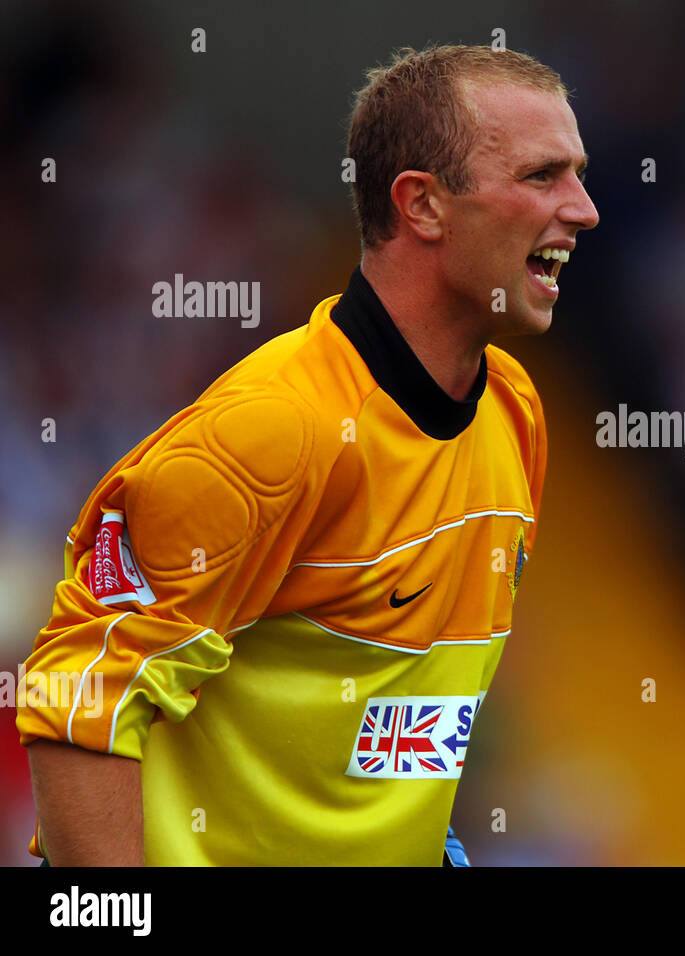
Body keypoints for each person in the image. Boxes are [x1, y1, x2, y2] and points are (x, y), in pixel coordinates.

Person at [16, 43, 598, 865]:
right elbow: (75, 696)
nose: (584, 209)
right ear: (423, 205)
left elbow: (395, 739)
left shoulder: (514, 411)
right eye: (543, 176)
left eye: (578, 174)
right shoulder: (272, 431)